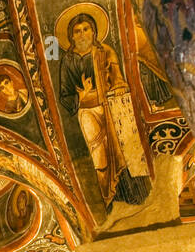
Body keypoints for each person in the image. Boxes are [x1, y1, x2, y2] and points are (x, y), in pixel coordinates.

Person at [58, 12, 151, 206]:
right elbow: (64, 95)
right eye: (77, 31)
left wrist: (117, 87)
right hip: (87, 112)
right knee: (99, 156)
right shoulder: (68, 61)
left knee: (123, 151)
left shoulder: (105, 51)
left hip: (111, 108)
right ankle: (109, 198)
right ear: (71, 36)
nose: (82, 34)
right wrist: (80, 97)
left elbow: (117, 77)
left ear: (94, 31)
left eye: (86, 29)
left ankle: (135, 194)